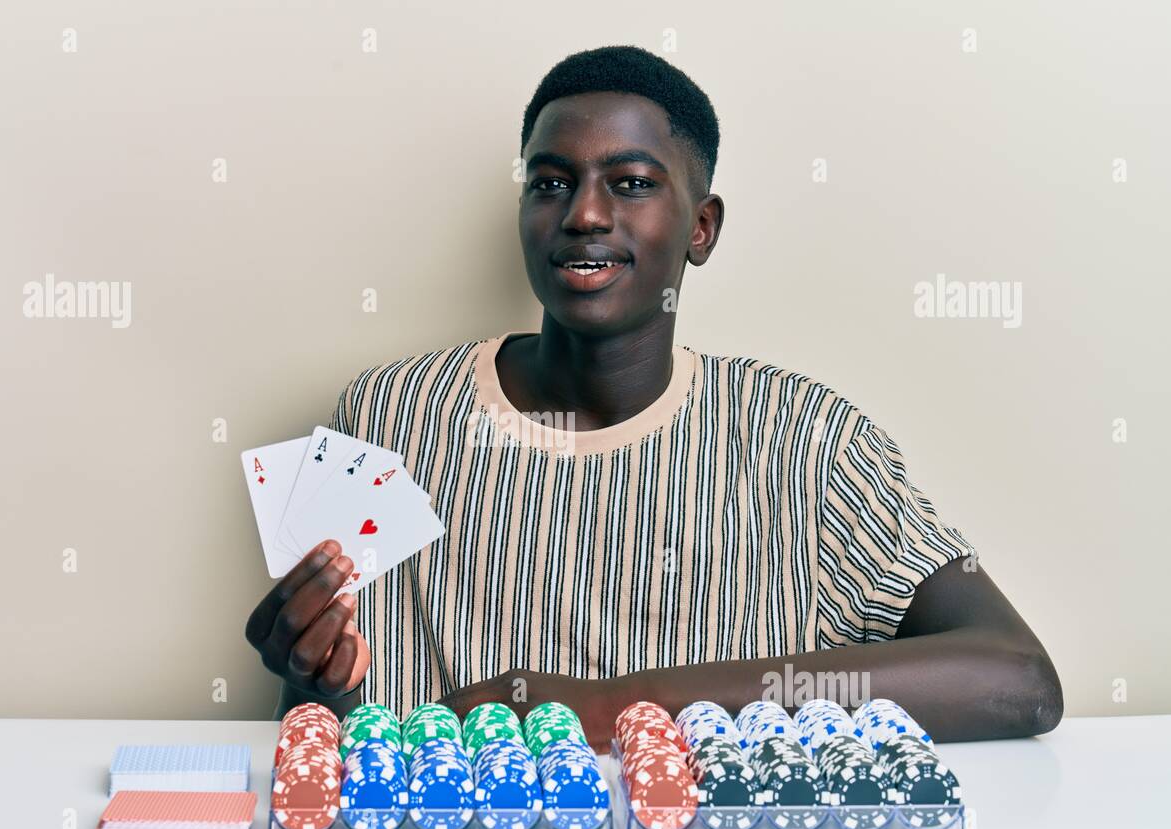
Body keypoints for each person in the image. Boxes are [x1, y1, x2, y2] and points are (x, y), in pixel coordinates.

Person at [244, 45, 1063, 750]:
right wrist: (313, 673)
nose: (585, 214)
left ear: (700, 228)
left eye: (631, 183)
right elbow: (319, 730)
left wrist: (607, 706)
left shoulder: (803, 437)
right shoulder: (386, 416)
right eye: (550, 183)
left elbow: (1018, 677)